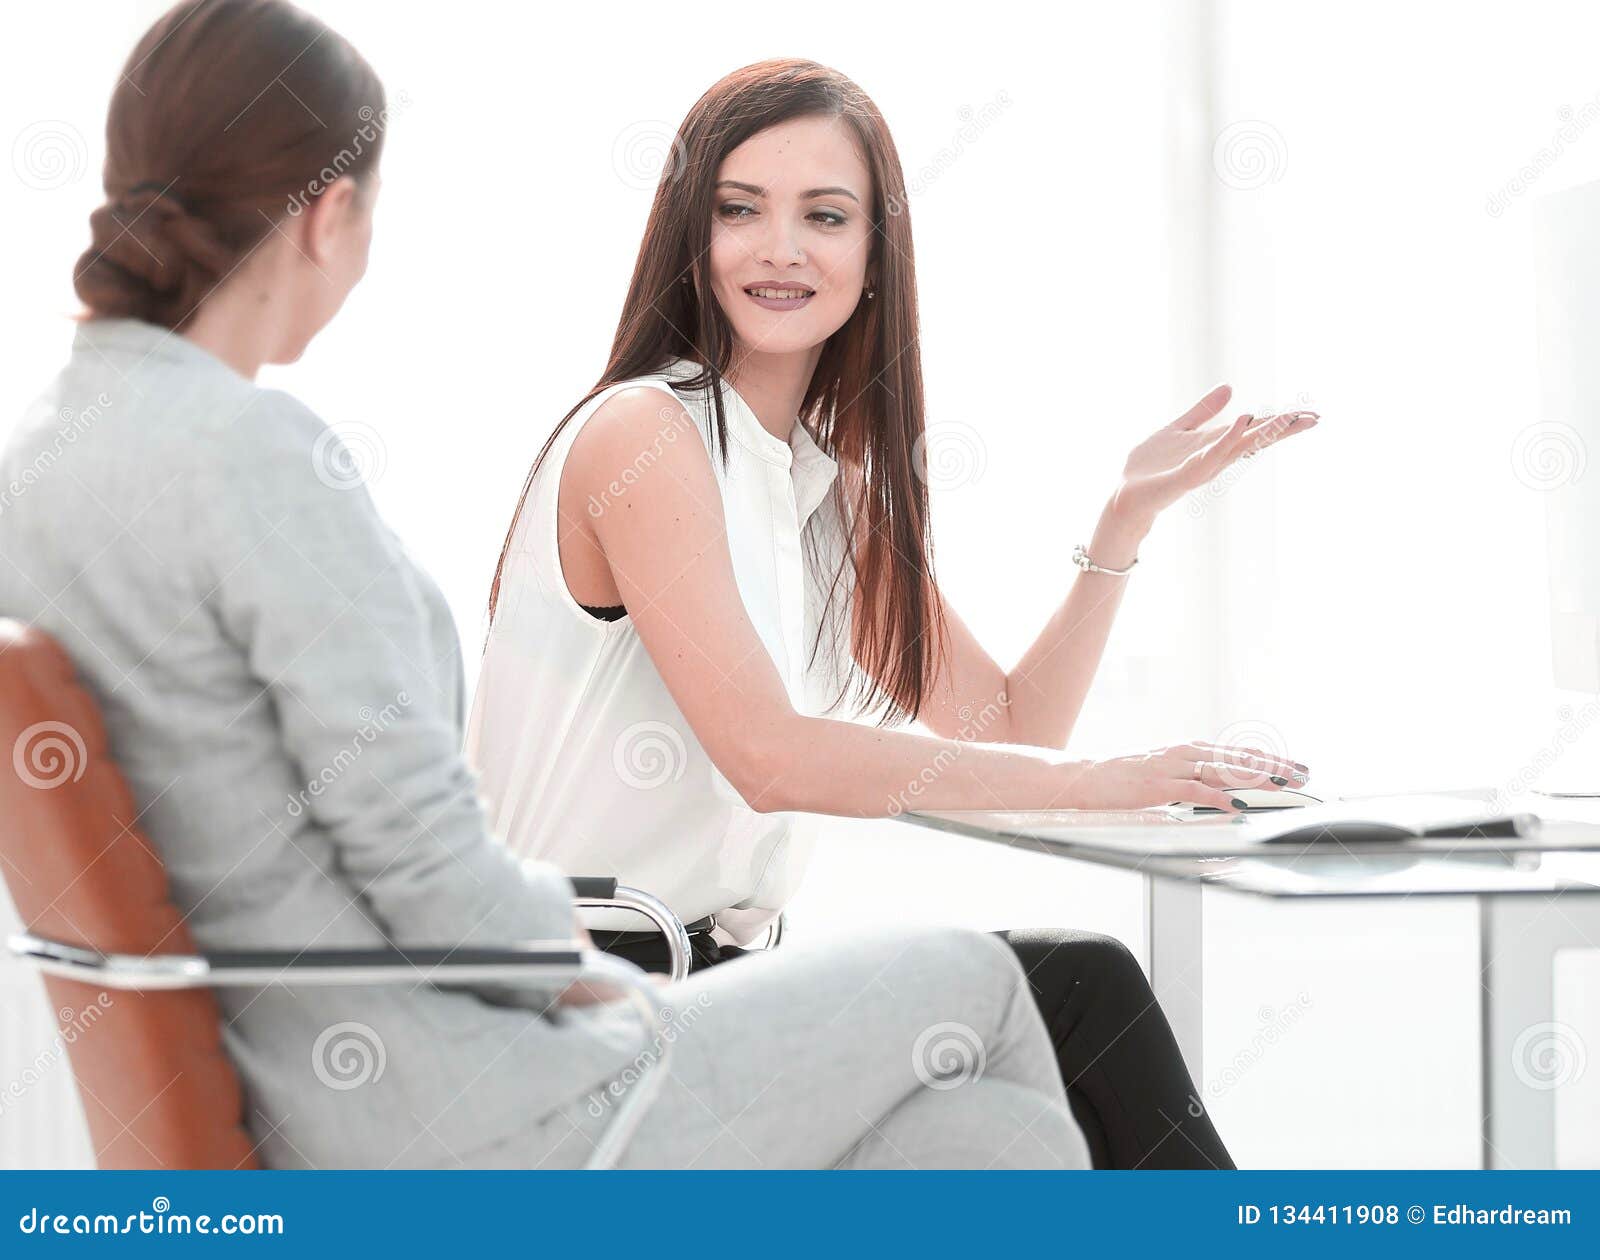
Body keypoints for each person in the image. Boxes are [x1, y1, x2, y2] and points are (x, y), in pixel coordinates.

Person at [0, 0, 1093, 1170]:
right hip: (447, 1106)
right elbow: (426, 869)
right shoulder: (256, 459)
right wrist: (596, 977)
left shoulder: (47, 463)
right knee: (972, 980)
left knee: (979, 1138)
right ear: (330, 215)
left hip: (310, 1089)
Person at [469, 58, 1319, 1168]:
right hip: (566, 1022)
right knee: (1078, 983)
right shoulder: (644, 436)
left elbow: (1009, 727)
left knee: (1004, 1129)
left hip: (721, 997)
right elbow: (770, 757)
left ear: (874, 257)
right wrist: (1109, 780)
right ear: (692, 235)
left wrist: (1119, 527)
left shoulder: (829, 490)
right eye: (740, 211)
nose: (782, 249)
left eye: (824, 216)